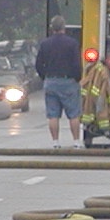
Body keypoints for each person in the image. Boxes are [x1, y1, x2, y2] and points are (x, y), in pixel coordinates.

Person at [34, 15, 83, 146]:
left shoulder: (45, 44)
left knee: (53, 115)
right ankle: (76, 142)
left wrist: (45, 77)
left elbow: (38, 64)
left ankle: (55, 142)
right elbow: (77, 64)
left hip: (51, 81)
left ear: (52, 28)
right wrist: (77, 78)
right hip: (68, 82)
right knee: (73, 114)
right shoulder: (72, 43)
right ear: (64, 27)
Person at [79, 52, 110, 140]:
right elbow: (100, 98)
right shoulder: (102, 72)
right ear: (108, 61)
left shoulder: (98, 70)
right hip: (99, 108)